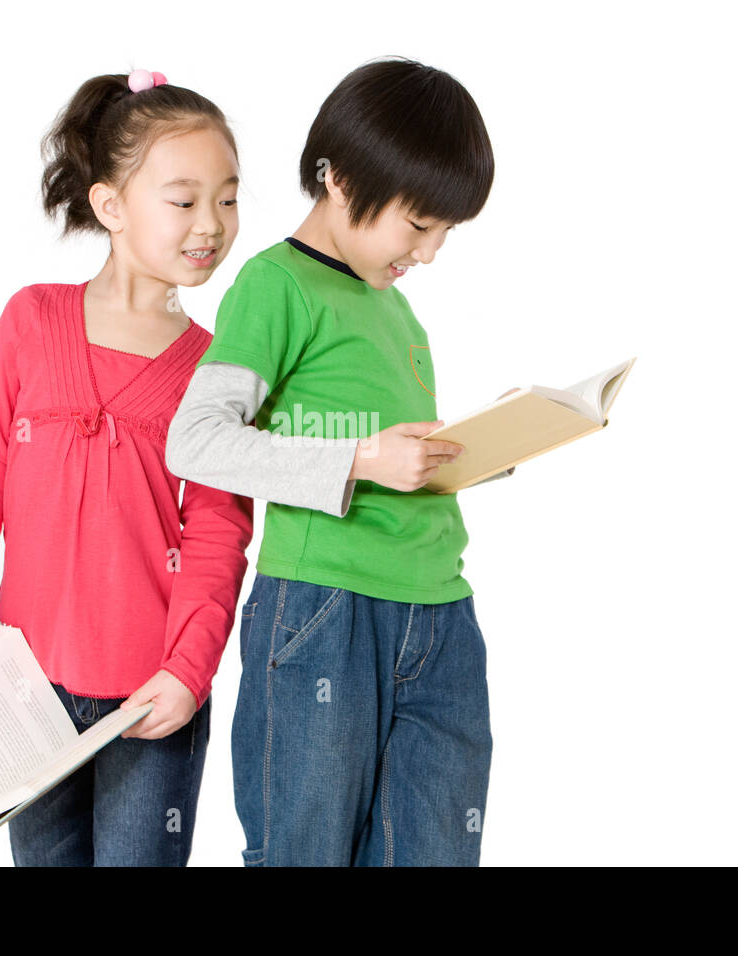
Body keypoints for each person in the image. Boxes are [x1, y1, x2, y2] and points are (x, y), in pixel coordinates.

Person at [166, 56, 512, 867]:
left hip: (441, 614)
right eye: (418, 226)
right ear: (342, 181)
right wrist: (360, 459)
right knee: (304, 852)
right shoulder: (275, 286)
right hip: (325, 609)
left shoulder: (398, 312)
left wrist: (472, 450)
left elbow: (393, 457)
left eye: (445, 233)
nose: (428, 254)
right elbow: (198, 439)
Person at [0, 68, 253, 867]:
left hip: (150, 698)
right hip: (20, 687)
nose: (211, 223)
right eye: (183, 200)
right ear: (110, 206)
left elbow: (218, 532)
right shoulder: (32, 320)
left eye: (229, 197)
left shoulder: (221, 370)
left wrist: (188, 669)